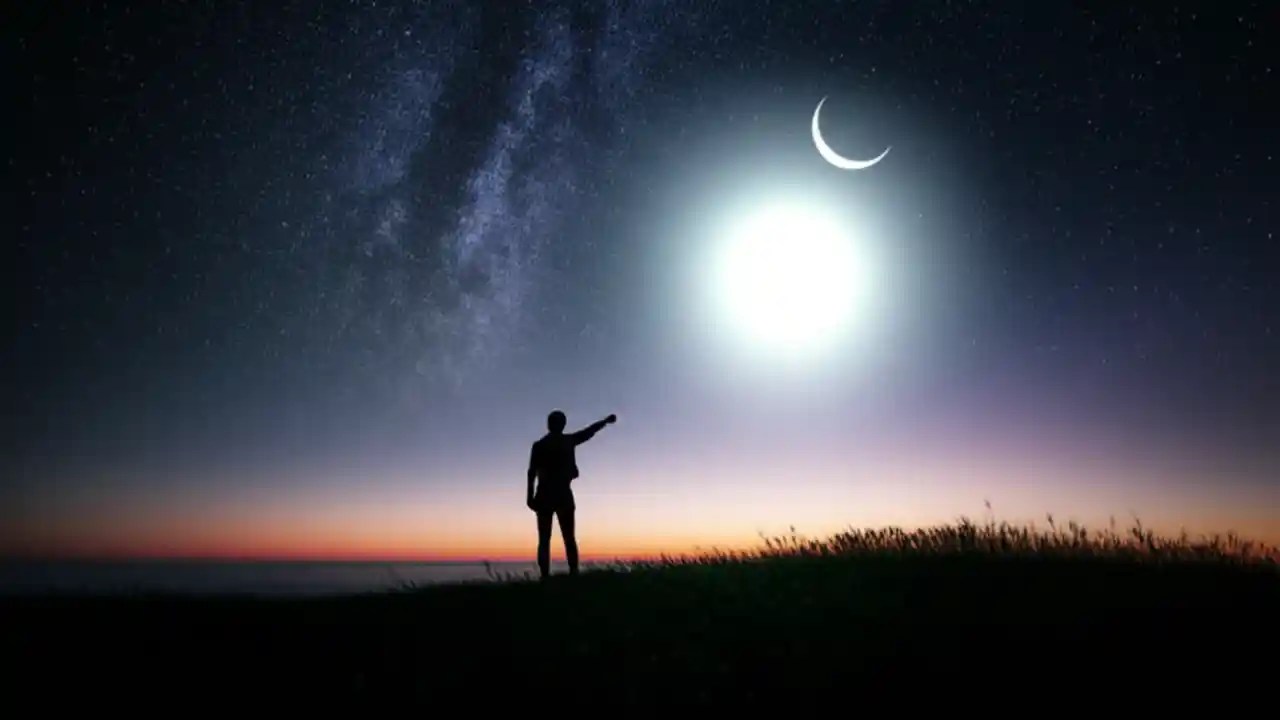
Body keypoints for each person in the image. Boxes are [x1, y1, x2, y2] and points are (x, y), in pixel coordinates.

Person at [526, 410, 616, 579]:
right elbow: (589, 432)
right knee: (568, 538)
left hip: (546, 495)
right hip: (560, 495)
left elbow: (531, 473)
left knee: (546, 539)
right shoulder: (565, 441)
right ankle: (571, 572)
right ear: (562, 425)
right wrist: (604, 421)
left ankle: (547, 576)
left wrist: (530, 497)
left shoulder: (540, 445)